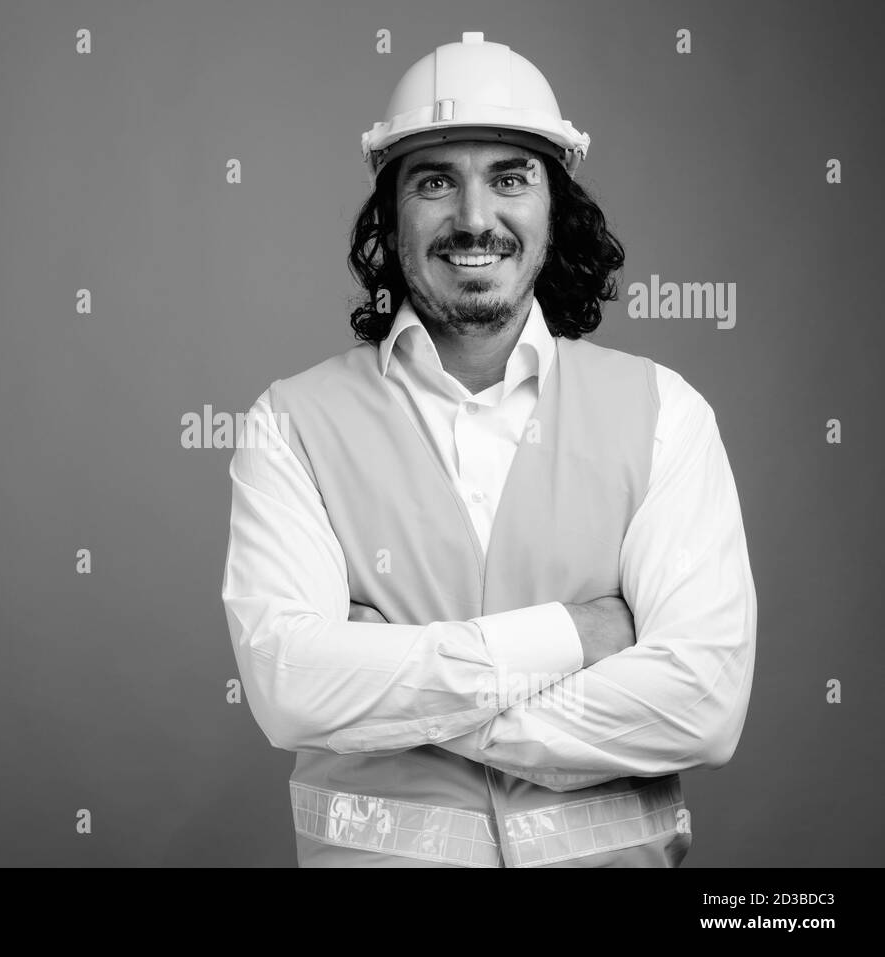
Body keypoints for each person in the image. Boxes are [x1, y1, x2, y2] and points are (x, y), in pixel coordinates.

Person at [220, 31, 757, 867]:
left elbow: (705, 705)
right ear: (389, 215)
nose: (474, 218)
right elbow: (291, 689)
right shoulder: (289, 424)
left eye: (510, 178)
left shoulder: (665, 414)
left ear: (553, 208)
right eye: (435, 182)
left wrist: (395, 688)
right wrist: (575, 637)